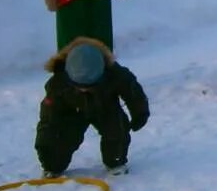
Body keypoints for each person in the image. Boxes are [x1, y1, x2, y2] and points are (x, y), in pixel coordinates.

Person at [35, 37, 149, 177]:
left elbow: (133, 93)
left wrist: (140, 113)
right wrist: (48, 140)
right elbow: (48, 116)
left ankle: (115, 162)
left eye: (90, 86)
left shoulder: (115, 74)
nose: (84, 90)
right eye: (79, 86)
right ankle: (52, 166)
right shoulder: (57, 82)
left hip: (104, 106)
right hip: (70, 111)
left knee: (117, 130)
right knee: (55, 142)